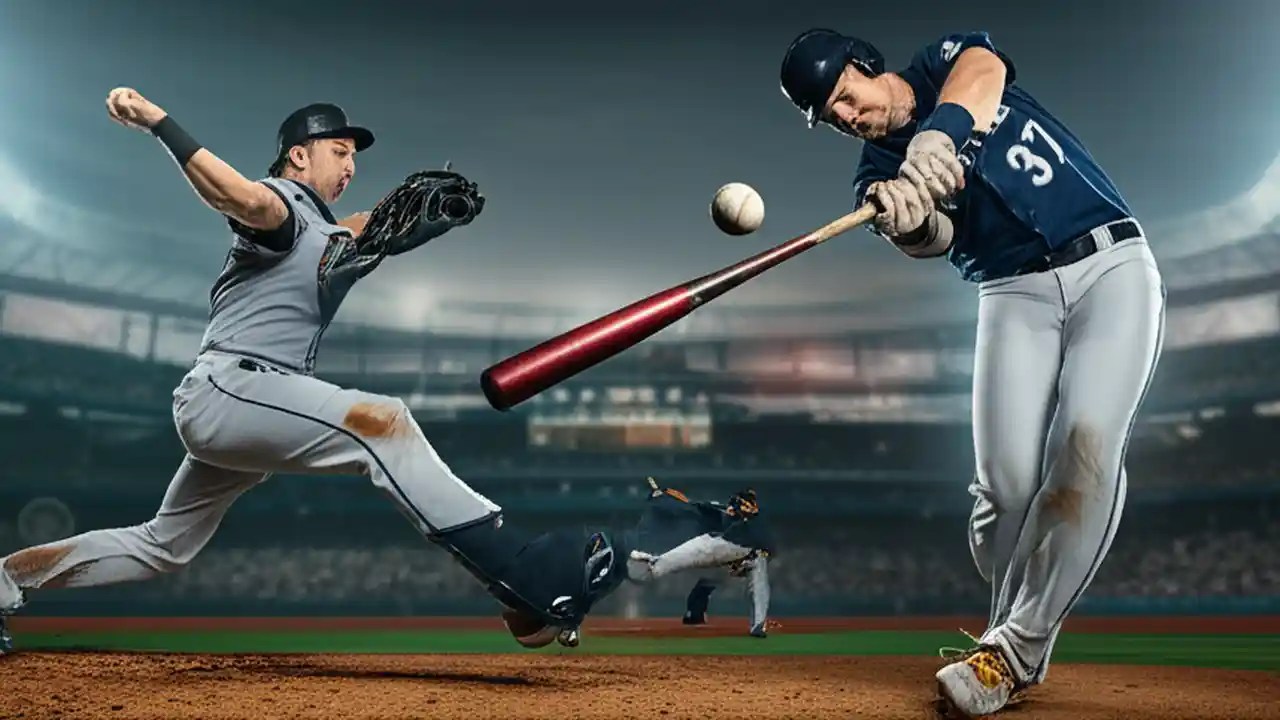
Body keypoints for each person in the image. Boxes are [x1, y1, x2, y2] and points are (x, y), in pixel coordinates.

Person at [0, 89, 626, 655]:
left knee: (164, 546)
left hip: (245, 402)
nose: (350, 164)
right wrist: (161, 122)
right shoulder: (283, 203)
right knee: (383, 423)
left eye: (354, 154)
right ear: (298, 157)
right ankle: (520, 572)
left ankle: (6, 579)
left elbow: (359, 230)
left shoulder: (323, 227)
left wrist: (400, 216)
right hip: (234, 388)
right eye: (338, 149)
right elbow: (239, 197)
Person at [778, 29, 1166, 717]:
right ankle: (1002, 635)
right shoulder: (873, 176)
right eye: (827, 114)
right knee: (1005, 497)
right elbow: (939, 243)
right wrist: (906, 221)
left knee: (1085, 444)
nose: (843, 114)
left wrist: (939, 137)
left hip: (1109, 266)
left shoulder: (938, 66)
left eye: (844, 94)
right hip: (1011, 292)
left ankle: (1011, 654)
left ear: (867, 64)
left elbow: (983, 72)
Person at [626, 479, 774, 638]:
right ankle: (754, 624)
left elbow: (689, 504)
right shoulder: (753, 519)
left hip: (726, 547)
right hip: (743, 556)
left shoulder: (737, 511)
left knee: (688, 558)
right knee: (714, 580)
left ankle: (651, 565)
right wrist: (664, 495)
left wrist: (661, 495)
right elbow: (690, 503)